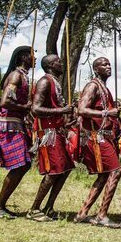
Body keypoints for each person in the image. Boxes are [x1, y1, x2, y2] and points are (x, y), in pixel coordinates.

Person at [74, 57, 121, 228]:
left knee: (105, 174)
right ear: (96, 69)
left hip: (103, 136)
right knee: (115, 172)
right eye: (104, 64)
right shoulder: (92, 86)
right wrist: (108, 113)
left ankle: (82, 213)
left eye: (109, 64)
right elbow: (81, 109)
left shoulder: (103, 88)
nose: (108, 66)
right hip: (96, 137)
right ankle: (101, 215)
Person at [27, 54, 74, 222]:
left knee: (65, 168)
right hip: (48, 134)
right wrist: (61, 111)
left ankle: (49, 206)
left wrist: (67, 117)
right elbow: (36, 109)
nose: (62, 64)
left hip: (58, 131)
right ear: (50, 65)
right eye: (59, 62)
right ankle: (34, 209)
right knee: (53, 171)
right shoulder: (44, 81)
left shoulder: (55, 82)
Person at [0, 46, 34, 219]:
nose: (35, 59)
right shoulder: (16, 75)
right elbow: (4, 101)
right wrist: (24, 107)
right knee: (21, 164)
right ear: (24, 57)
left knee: (24, 164)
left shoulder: (23, 76)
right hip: (8, 125)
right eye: (32, 56)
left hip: (16, 124)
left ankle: (0, 205)